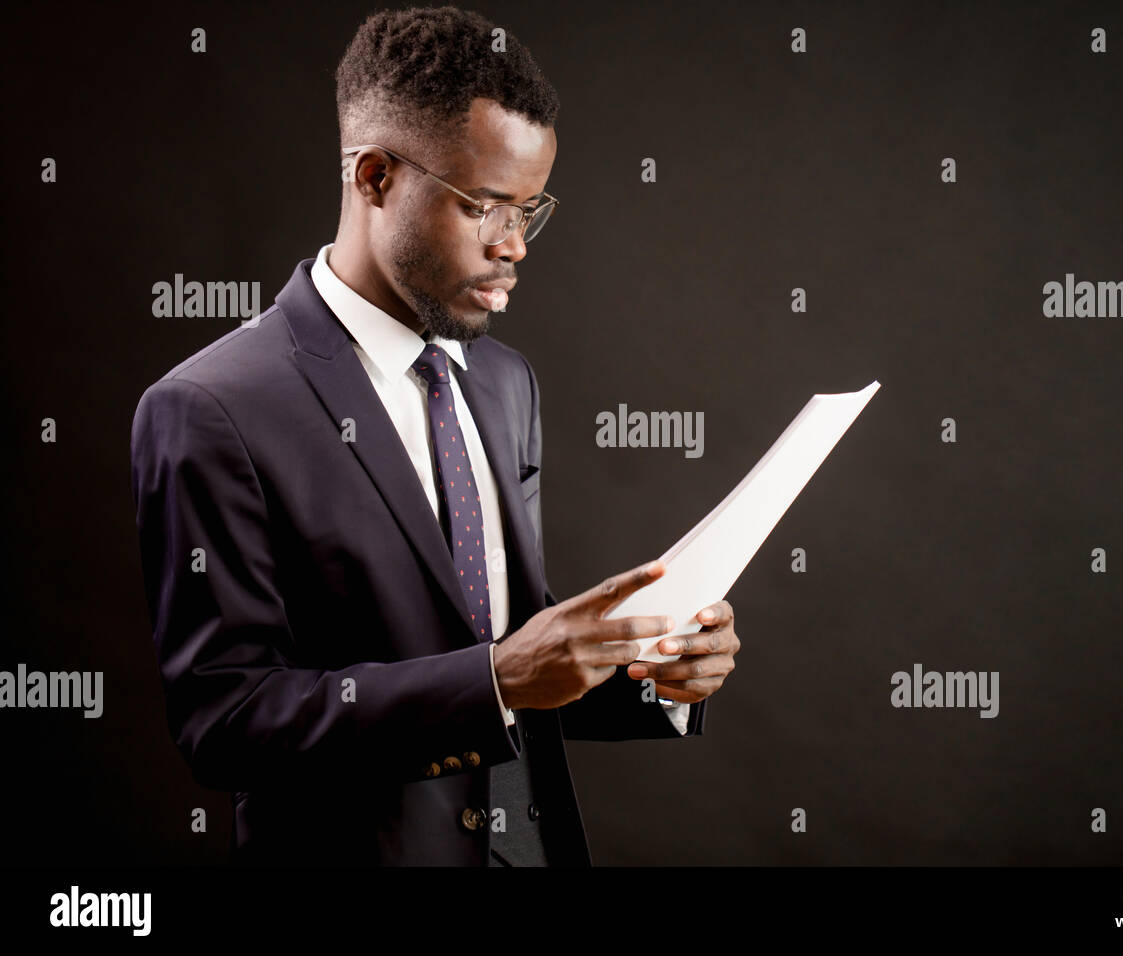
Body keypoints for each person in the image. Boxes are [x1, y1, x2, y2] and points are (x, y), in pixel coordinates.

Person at [128, 6, 740, 866]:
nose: (517, 245)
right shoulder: (208, 408)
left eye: (531, 210)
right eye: (487, 207)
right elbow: (226, 724)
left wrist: (653, 671)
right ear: (374, 176)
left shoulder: (502, 382)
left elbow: (513, 644)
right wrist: (492, 680)